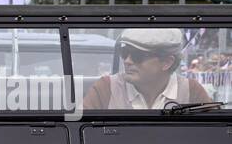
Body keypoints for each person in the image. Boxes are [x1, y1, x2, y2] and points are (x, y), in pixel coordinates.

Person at [82, 28, 215, 110]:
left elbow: (215, 134)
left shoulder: (192, 92)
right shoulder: (105, 88)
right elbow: (81, 132)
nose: (127, 61)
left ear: (167, 62)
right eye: (125, 52)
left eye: (137, 56)